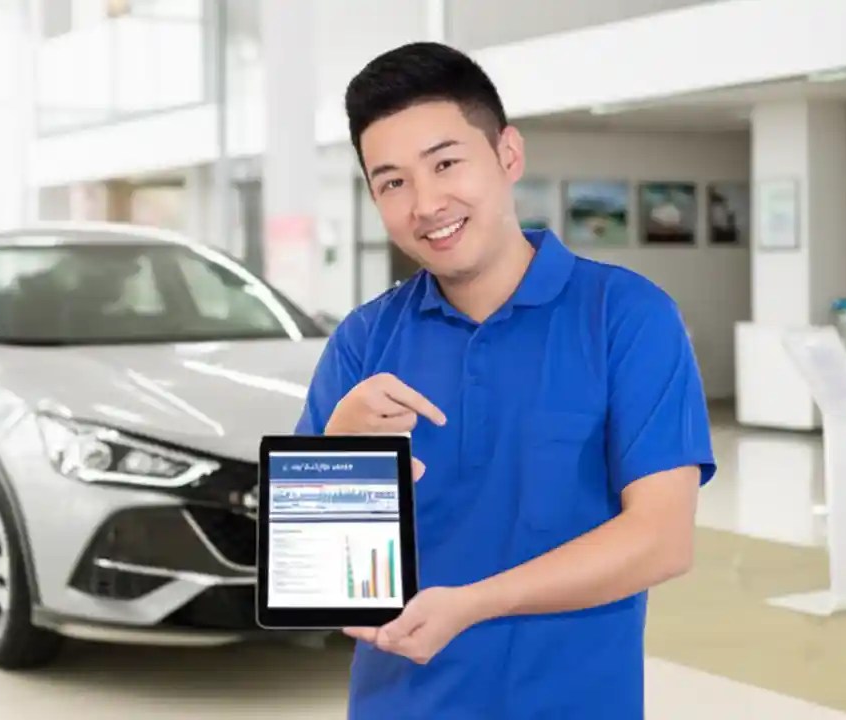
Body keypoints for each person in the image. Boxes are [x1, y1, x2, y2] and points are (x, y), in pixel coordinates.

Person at [293, 42, 716, 719]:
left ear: (508, 155)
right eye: (392, 182)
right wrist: (340, 452)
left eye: (446, 163)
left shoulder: (627, 317)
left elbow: (663, 540)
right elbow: (320, 589)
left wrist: (476, 604)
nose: (426, 203)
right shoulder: (363, 341)